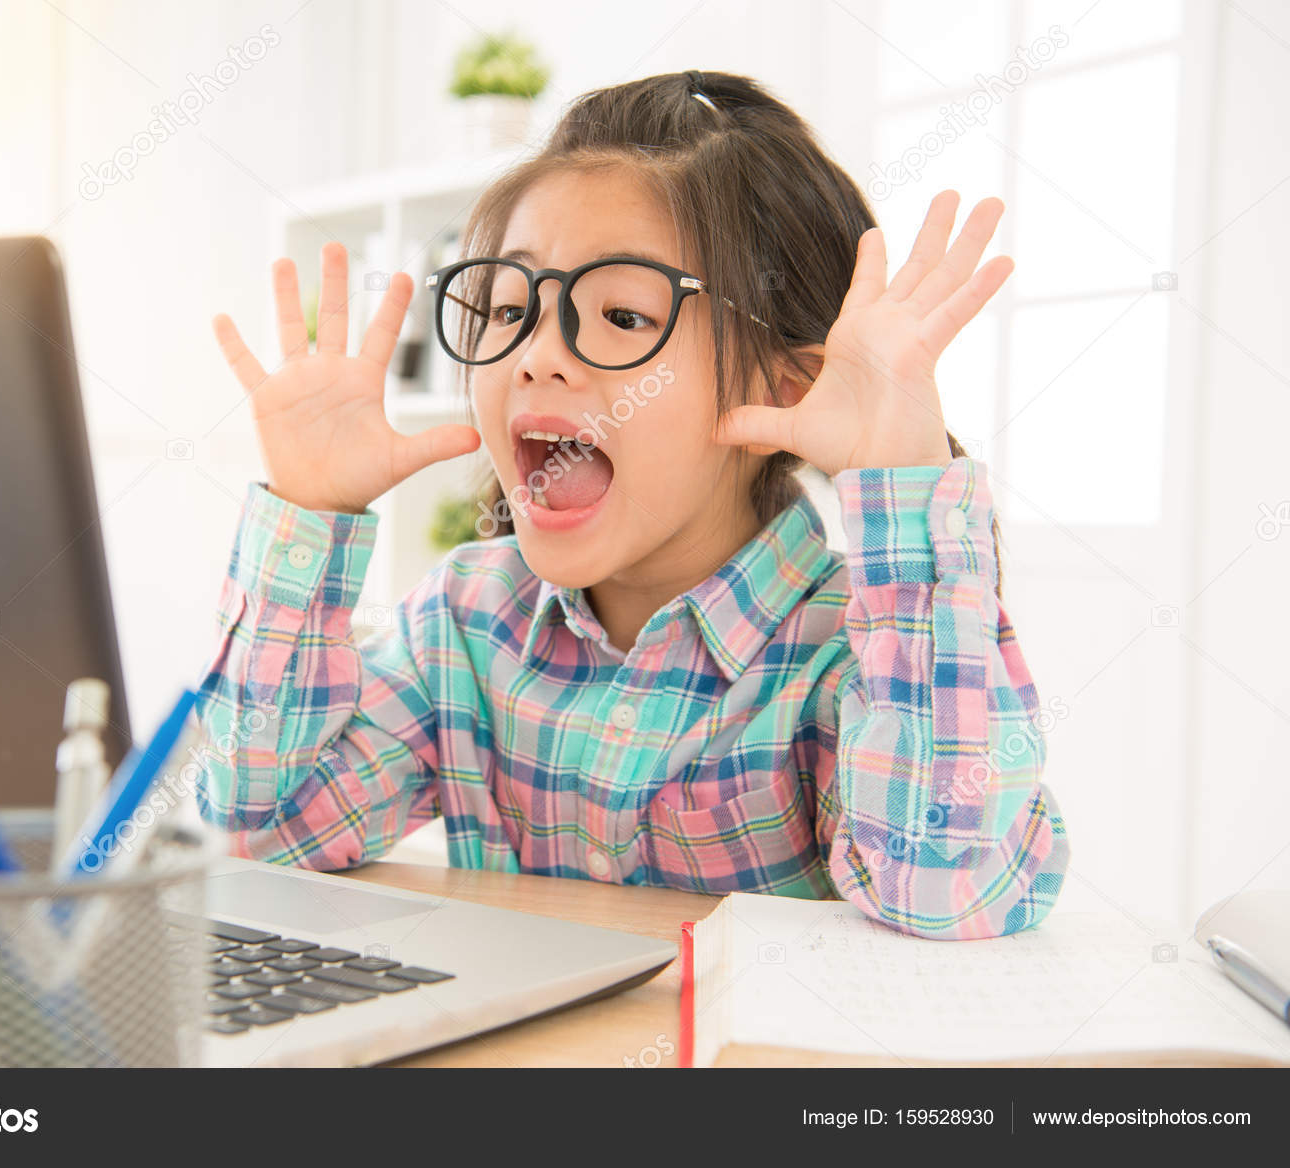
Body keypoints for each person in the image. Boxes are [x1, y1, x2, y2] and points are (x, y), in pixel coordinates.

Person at [196, 70, 1068, 939]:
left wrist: (905, 487)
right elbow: (264, 832)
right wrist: (309, 514)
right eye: (509, 307)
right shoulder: (464, 626)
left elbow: (941, 889)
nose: (536, 355)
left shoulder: (845, 656)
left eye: (621, 316)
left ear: (783, 390)